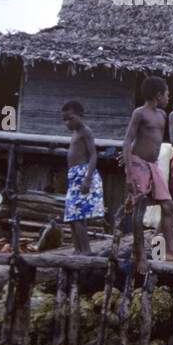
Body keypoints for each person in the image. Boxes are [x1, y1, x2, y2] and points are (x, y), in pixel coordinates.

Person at [122, 76, 173, 273]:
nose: (169, 98)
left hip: (152, 165)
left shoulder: (162, 115)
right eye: (168, 94)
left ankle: (169, 249)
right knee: (139, 209)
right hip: (138, 164)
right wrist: (129, 172)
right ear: (158, 95)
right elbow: (127, 141)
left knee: (168, 205)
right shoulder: (140, 113)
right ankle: (139, 254)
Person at [61, 100, 104, 255]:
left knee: (79, 215)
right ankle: (77, 249)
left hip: (83, 176)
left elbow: (93, 155)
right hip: (74, 177)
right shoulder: (75, 134)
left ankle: (85, 250)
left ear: (80, 116)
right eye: (64, 120)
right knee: (72, 215)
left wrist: (87, 179)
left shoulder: (86, 131)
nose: (67, 122)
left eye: (70, 118)